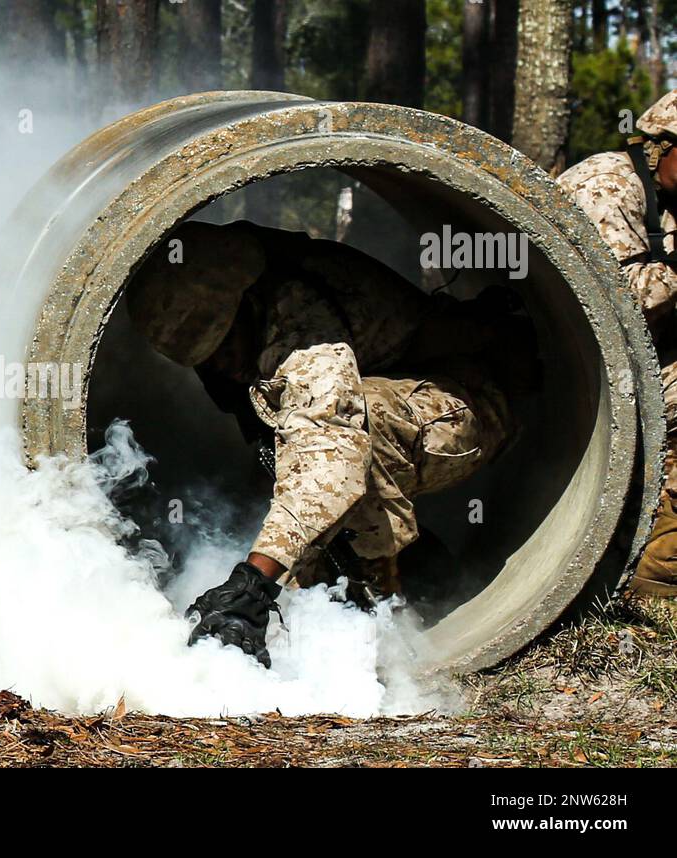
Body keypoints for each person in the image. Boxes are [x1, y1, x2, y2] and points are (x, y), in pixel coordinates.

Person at [127, 220, 537, 667]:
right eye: (209, 360)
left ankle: (385, 616)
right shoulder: (233, 327)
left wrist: (254, 583)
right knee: (284, 470)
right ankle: (395, 576)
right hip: (384, 414)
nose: (222, 367)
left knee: (356, 432)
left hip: (470, 403)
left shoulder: (301, 322)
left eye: (225, 348)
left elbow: (333, 454)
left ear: (245, 306)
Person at [558, 90, 677, 598]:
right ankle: (655, 569)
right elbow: (621, 302)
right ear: (662, 146)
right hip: (566, 364)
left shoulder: (666, 197)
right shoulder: (606, 185)